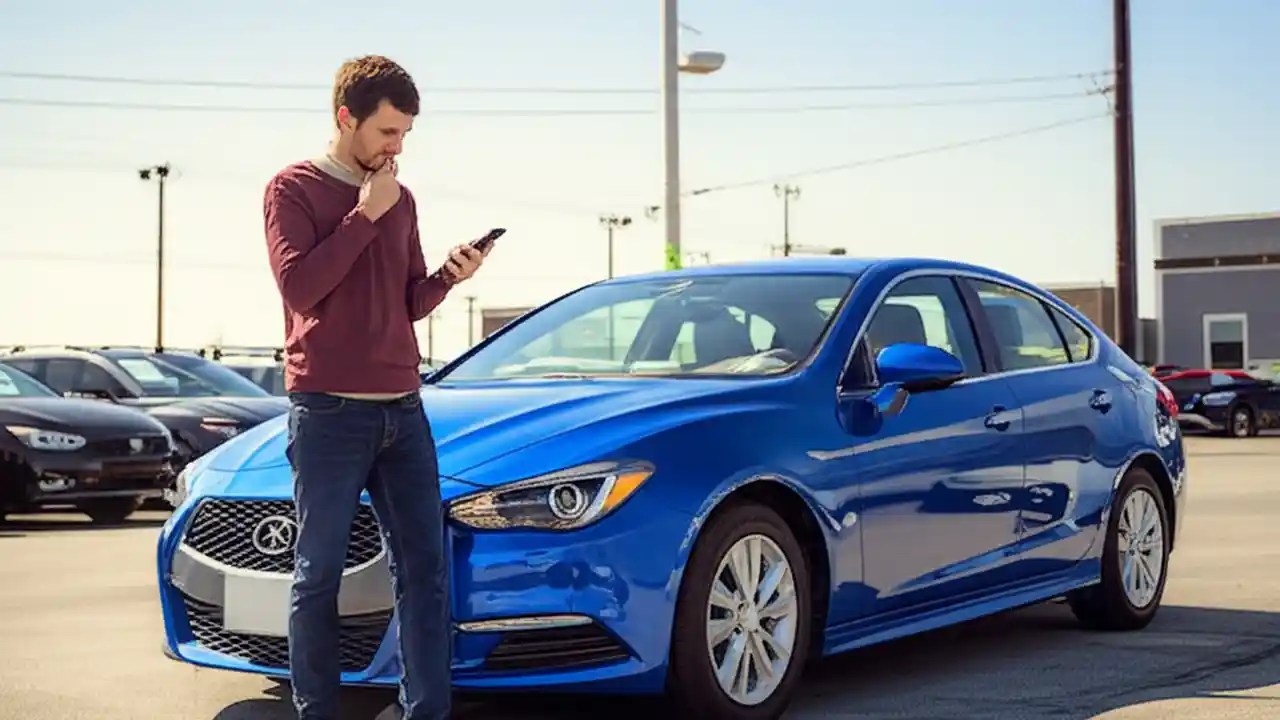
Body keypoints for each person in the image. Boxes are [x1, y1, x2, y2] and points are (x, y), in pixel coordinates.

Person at [262, 54, 485, 720]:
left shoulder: (399, 198)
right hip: (328, 413)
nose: (397, 148)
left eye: (405, 135)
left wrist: (448, 276)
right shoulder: (292, 189)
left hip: (403, 410)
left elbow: (407, 300)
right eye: (387, 133)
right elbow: (302, 290)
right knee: (318, 577)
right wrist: (363, 216)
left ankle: (427, 712)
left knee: (425, 573)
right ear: (345, 119)